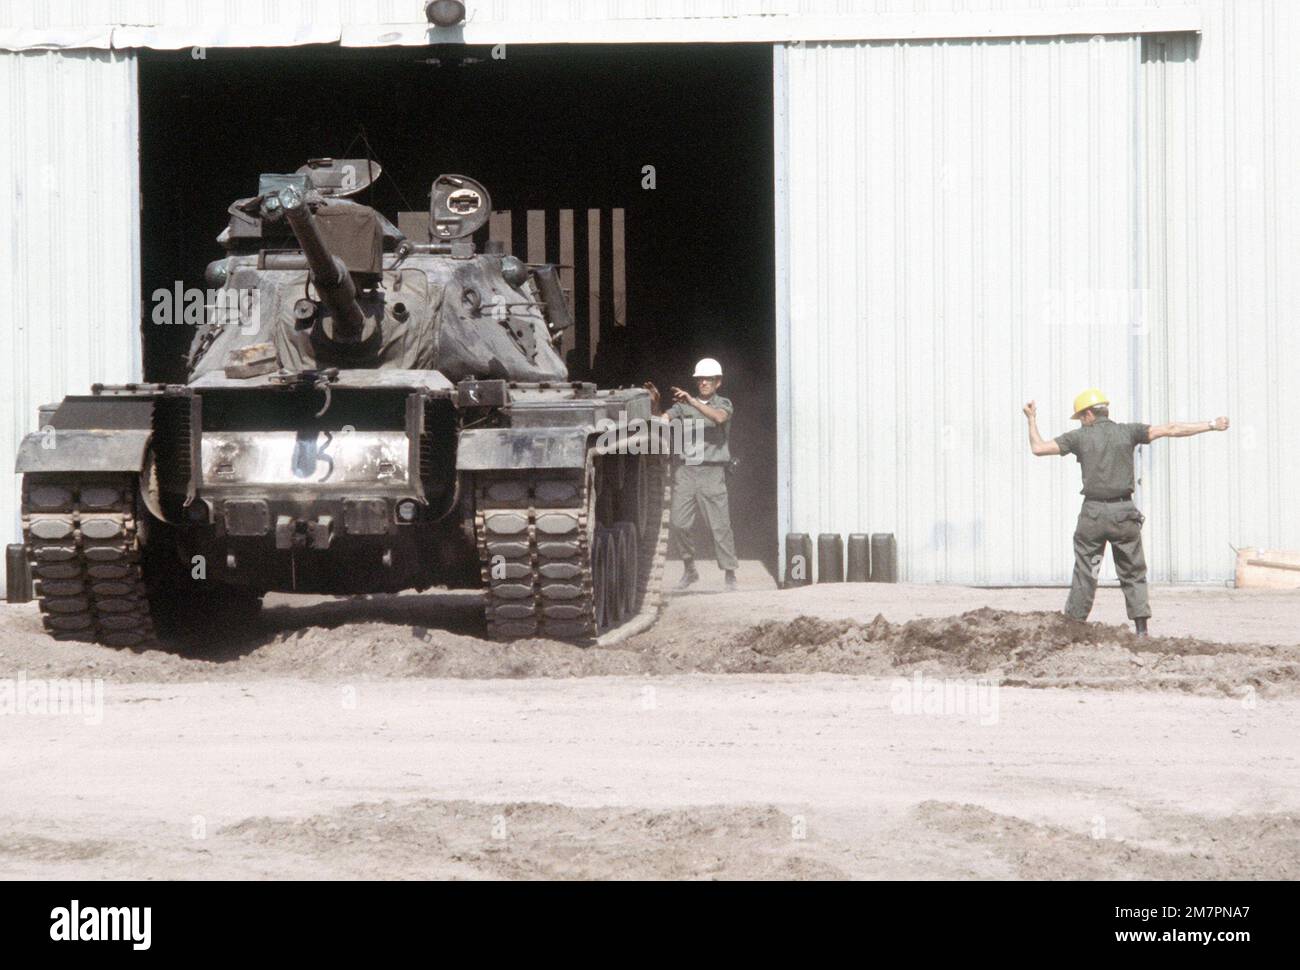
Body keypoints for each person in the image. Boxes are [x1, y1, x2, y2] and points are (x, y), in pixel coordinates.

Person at [1024, 389, 1229, 636]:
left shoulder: (1079, 437)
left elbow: (1038, 448)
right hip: (1124, 514)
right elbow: (1171, 429)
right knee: (1132, 571)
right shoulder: (1128, 432)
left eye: (1081, 417)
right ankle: (1141, 631)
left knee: (1087, 571)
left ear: (1088, 414)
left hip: (1093, 516)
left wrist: (1031, 419)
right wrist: (1211, 425)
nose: (1081, 421)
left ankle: (1074, 626)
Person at [643, 358, 739, 591]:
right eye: (700, 379)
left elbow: (719, 418)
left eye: (709, 379)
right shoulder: (682, 406)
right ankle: (689, 569)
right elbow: (661, 423)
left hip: (712, 471)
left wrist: (693, 402)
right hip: (686, 470)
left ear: (718, 382)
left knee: (719, 526)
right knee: (679, 523)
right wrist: (654, 406)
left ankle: (729, 573)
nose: (704, 382)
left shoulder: (722, 403)